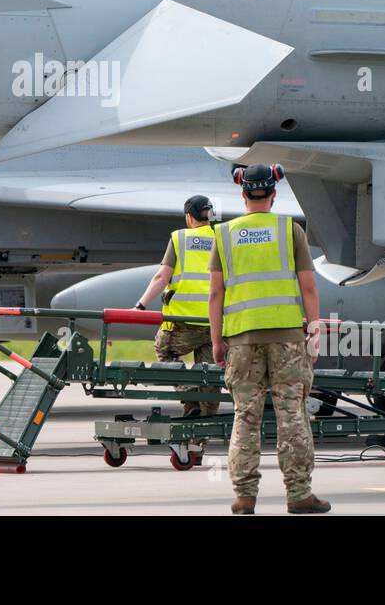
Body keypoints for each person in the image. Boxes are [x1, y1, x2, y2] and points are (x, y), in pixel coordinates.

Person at [208, 163, 329, 515]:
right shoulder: (289, 230)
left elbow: (215, 295)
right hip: (289, 340)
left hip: (241, 341)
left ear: (242, 193)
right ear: (273, 195)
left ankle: (244, 498)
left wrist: (217, 341)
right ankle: (299, 495)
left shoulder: (225, 234)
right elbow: (308, 285)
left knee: (246, 416)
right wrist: (314, 330)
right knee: (292, 415)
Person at [134, 195, 220, 419]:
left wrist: (140, 306)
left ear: (189, 216)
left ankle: (189, 396)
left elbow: (162, 277)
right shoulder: (222, 238)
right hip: (214, 324)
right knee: (209, 373)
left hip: (183, 324)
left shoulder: (180, 238)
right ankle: (206, 420)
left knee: (164, 350)